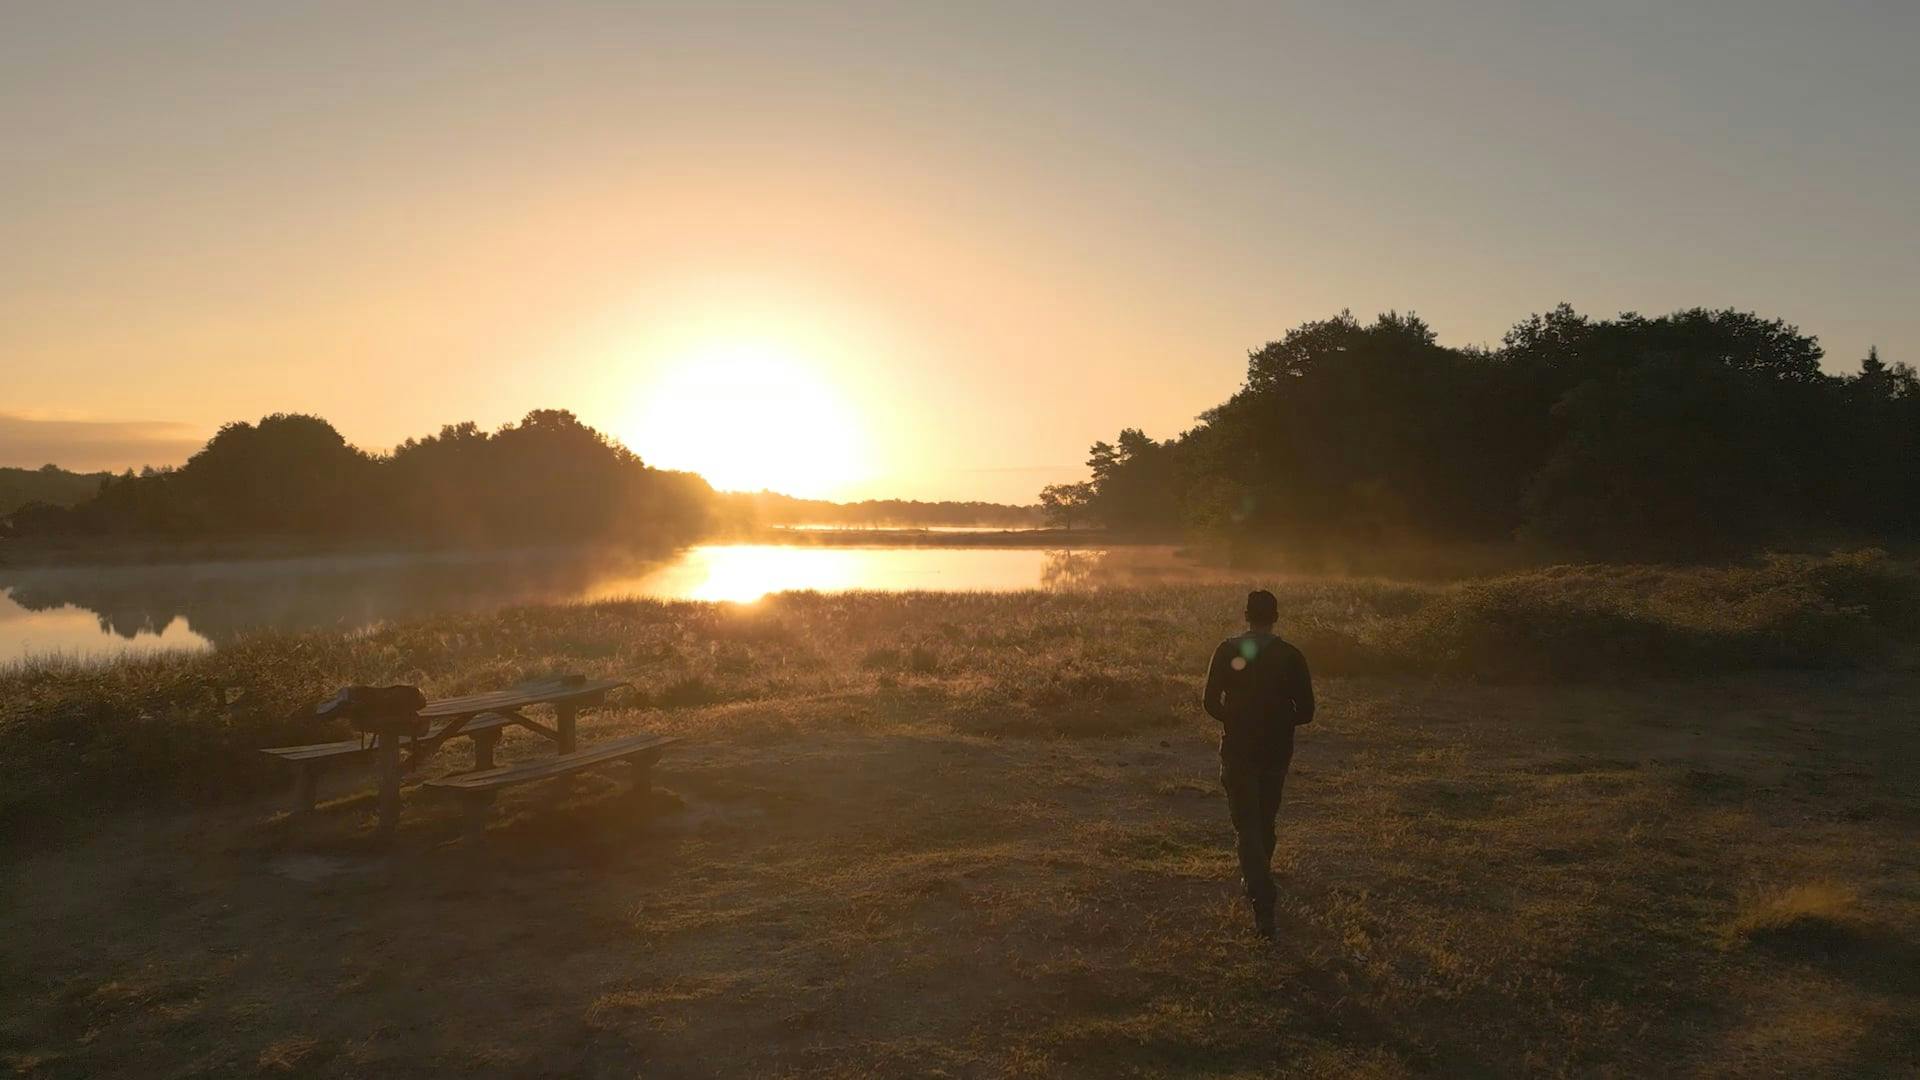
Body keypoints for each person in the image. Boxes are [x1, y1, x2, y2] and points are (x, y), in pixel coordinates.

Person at [1202, 589, 1314, 940]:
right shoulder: (1290, 655)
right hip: (1276, 749)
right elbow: (1307, 711)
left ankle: (1261, 897)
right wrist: (1277, 721)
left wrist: (1234, 719)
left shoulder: (1227, 649)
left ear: (1246, 614)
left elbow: (1210, 702)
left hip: (1238, 748)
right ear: (1275, 617)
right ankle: (1259, 877)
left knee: (1246, 823)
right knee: (1265, 818)